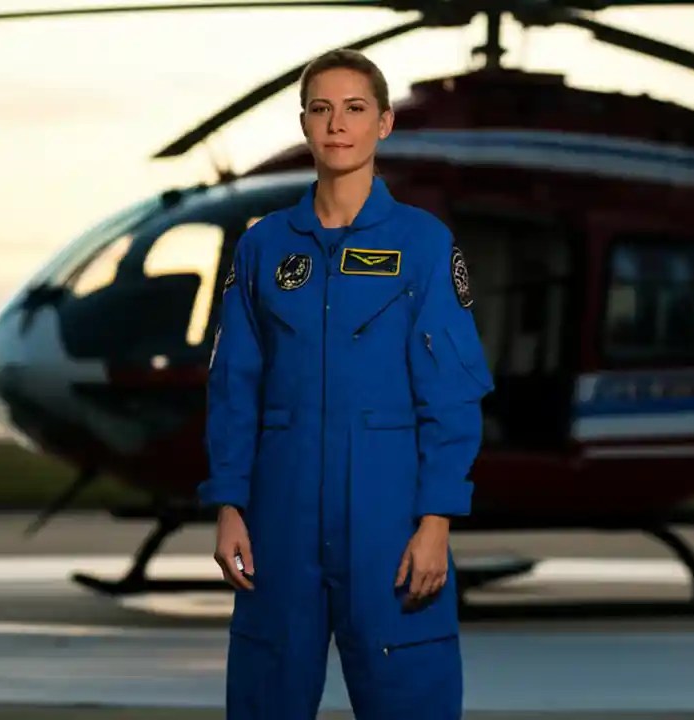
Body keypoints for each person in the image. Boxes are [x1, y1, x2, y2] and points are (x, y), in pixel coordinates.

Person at [198, 48, 494, 719]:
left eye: (355, 109)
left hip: (389, 522)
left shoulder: (422, 245)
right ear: (303, 123)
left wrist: (437, 520)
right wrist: (229, 503)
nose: (337, 124)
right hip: (280, 519)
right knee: (265, 698)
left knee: (410, 699)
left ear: (383, 123)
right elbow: (233, 387)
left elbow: (451, 393)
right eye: (321, 109)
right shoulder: (264, 248)